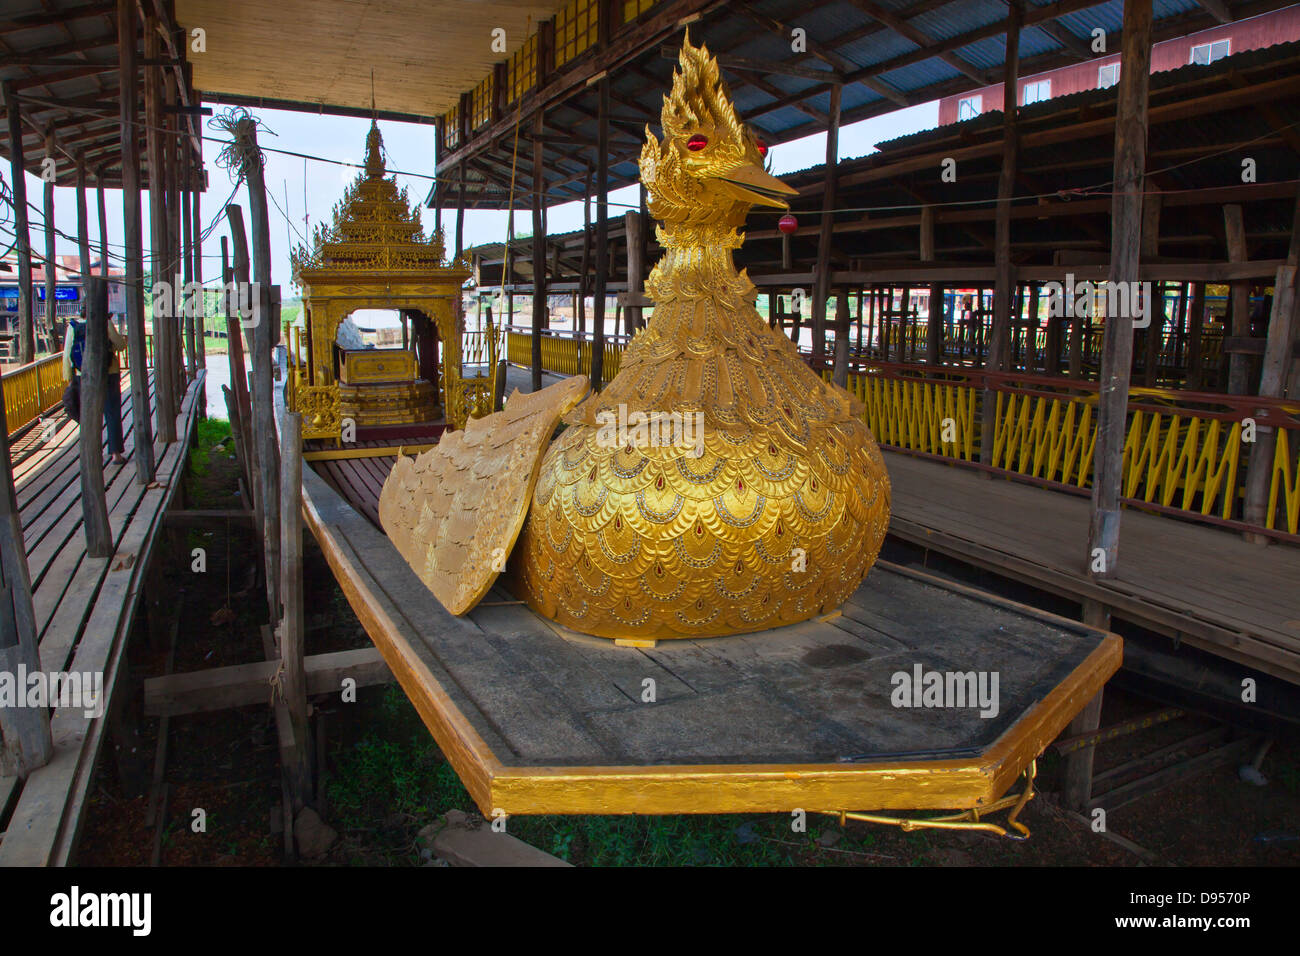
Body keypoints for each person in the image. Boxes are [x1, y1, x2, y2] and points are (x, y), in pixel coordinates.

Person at [63, 308, 128, 465]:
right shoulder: (105, 323)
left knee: (88, 415)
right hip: (108, 374)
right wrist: (122, 340)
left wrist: (69, 379)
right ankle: (116, 454)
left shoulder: (73, 326)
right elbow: (120, 345)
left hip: (83, 376)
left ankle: (91, 453)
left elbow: (66, 356)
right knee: (112, 413)